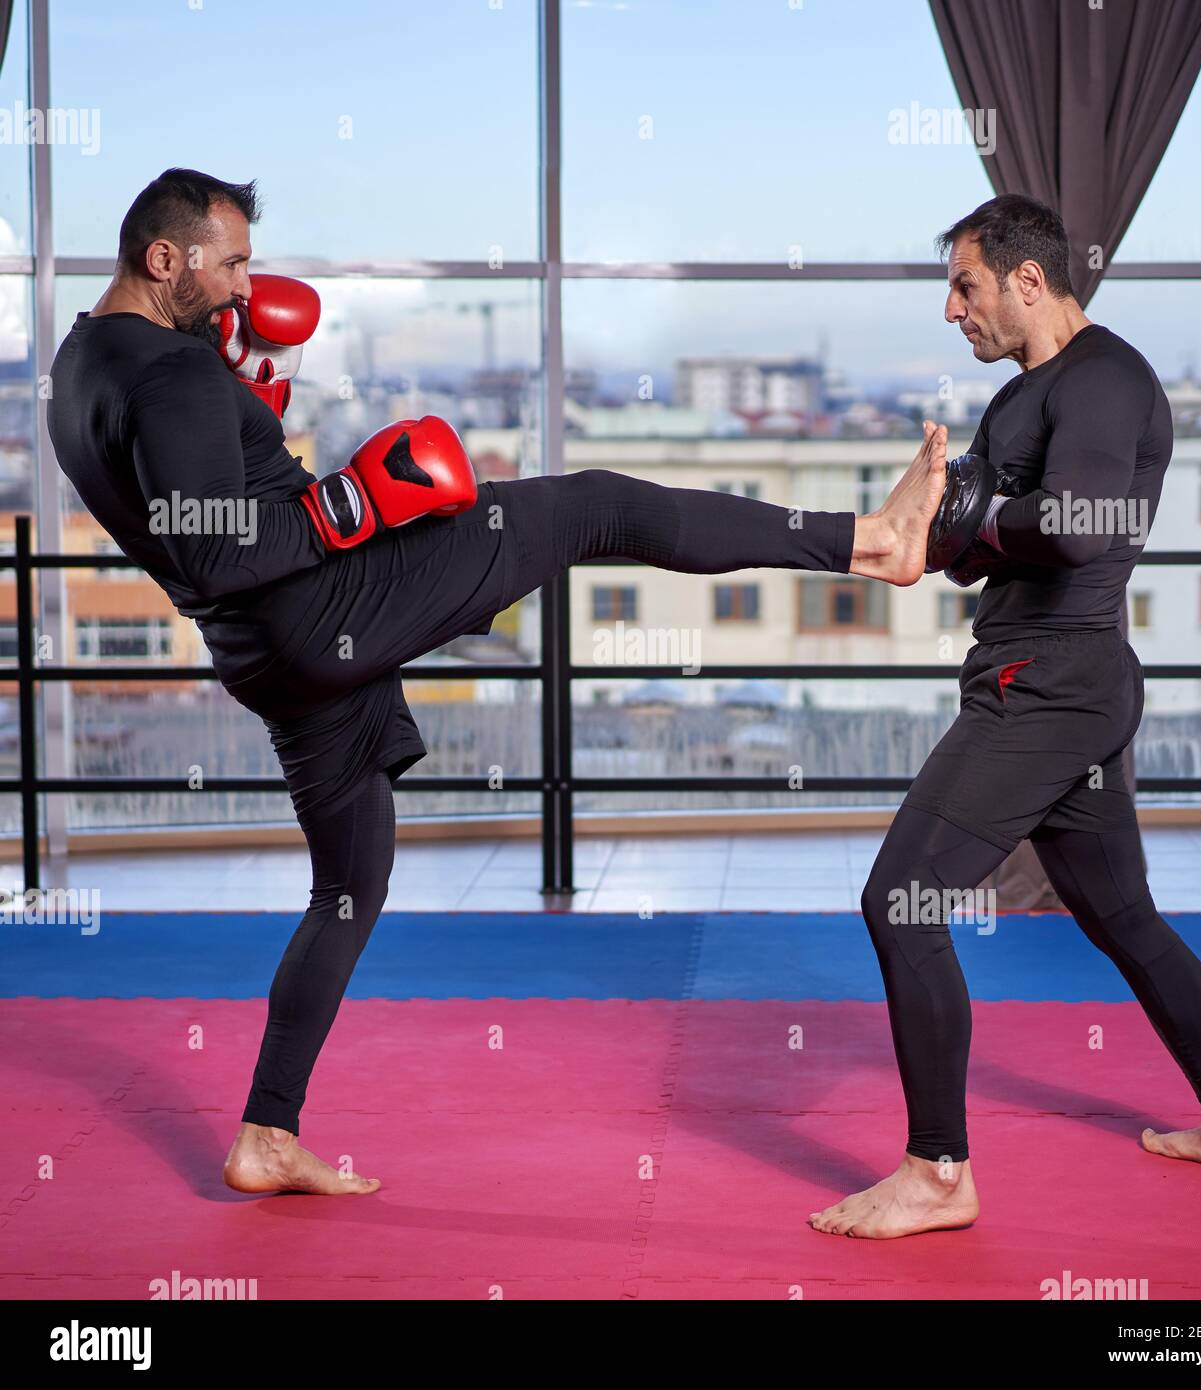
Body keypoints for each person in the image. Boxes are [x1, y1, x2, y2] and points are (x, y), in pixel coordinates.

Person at [48, 168, 952, 1196]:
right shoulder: (175, 377)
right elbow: (218, 547)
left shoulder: (83, 366)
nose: (249, 288)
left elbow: (184, 512)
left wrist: (254, 421)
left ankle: (266, 1130)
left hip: (266, 655)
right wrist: (355, 498)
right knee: (595, 507)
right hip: (325, 608)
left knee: (351, 883)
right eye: (233, 264)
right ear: (166, 258)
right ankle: (872, 541)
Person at [810, 193, 1201, 1242]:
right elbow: (985, 542)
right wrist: (933, 523)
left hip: (1053, 687)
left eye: (966, 285)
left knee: (903, 901)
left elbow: (1073, 527)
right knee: (1123, 918)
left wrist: (978, 517)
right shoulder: (1017, 399)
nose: (951, 309)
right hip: (1051, 679)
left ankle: (938, 1172)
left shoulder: (1105, 379)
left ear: (1030, 279)